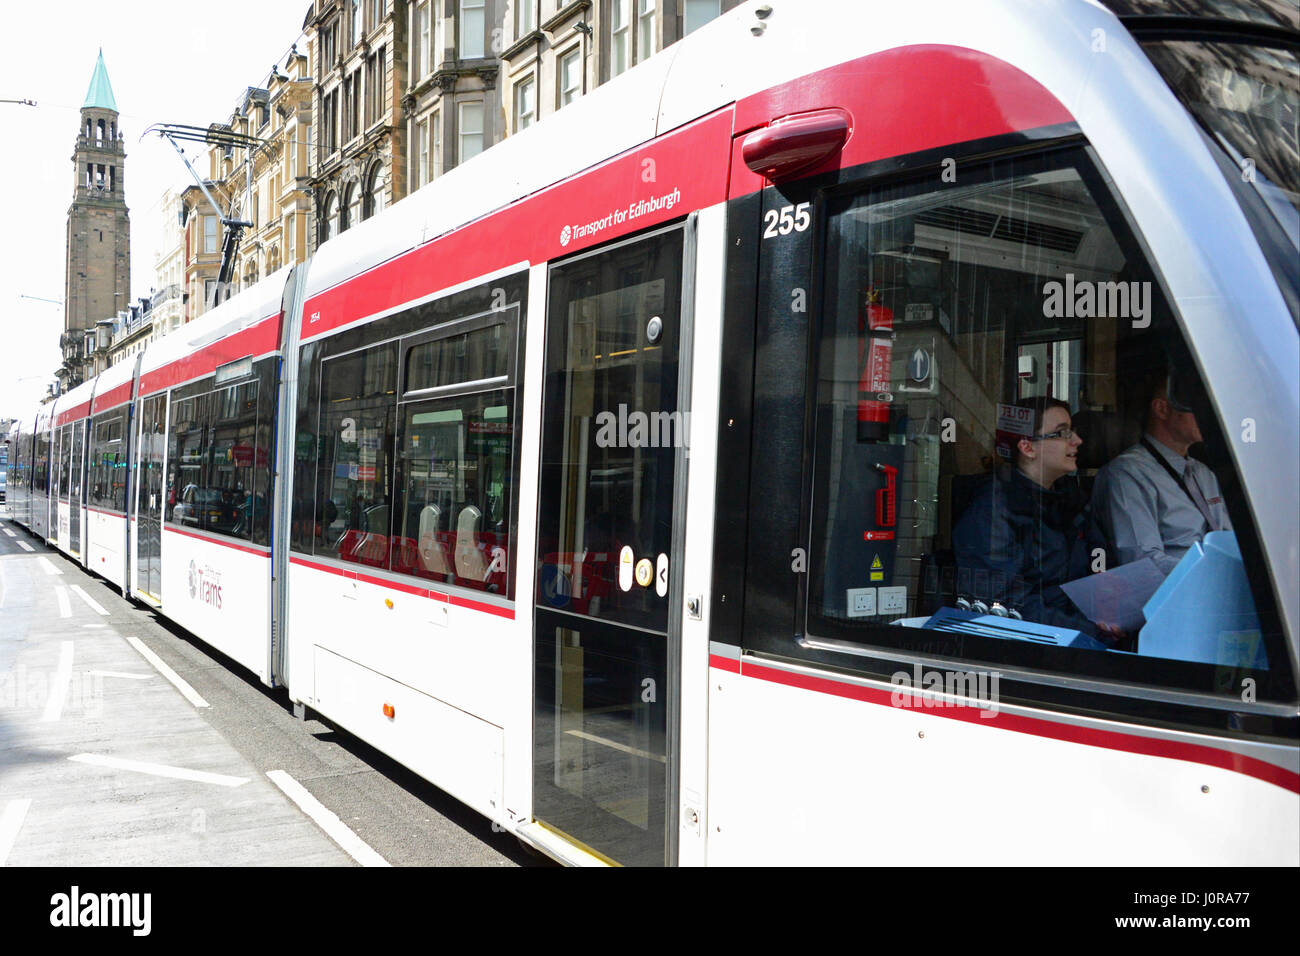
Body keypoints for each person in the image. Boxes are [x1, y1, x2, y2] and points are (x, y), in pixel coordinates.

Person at [954, 396, 1114, 638]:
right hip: (1035, 649)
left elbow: (1096, 570)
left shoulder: (1073, 501)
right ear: (1027, 447)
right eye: (1063, 433)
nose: (1077, 441)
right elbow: (1011, 607)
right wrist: (1092, 631)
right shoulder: (992, 510)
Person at [1091, 367, 1231, 576]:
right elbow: (1143, 562)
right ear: (1162, 409)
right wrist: (1211, 573)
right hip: (1173, 595)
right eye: (1196, 405)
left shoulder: (1203, 473)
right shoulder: (1127, 474)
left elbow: (1230, 538)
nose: (1207, 415)